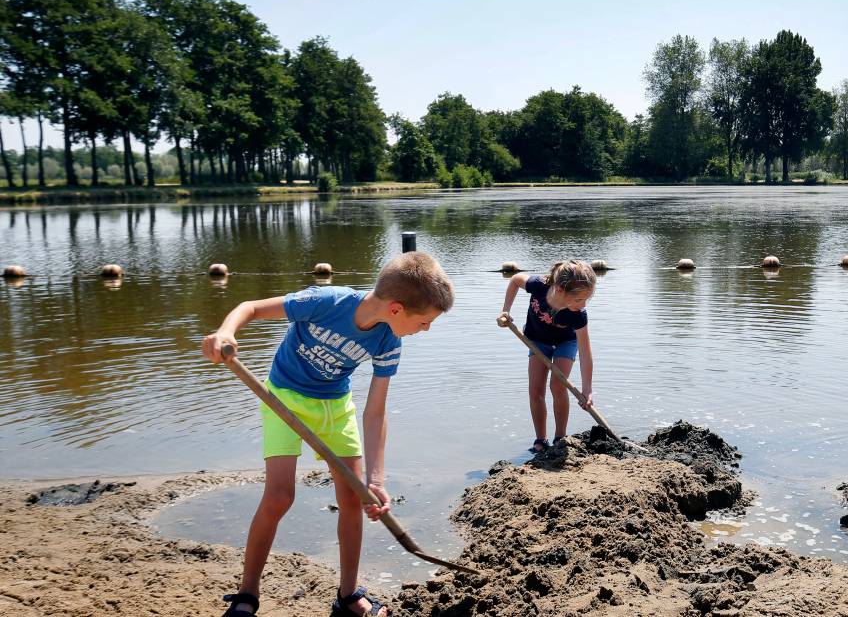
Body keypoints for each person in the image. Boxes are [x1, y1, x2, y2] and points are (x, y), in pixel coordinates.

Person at [202, 252, 454, 617]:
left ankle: (349, 595)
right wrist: (226, 331)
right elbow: (250, 307)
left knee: (354, 499)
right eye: (425, 321)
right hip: (283, 398)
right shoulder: (325, 302)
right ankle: (247, 595)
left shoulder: (388, 342)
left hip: (334, 406)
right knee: (278, 497)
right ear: (397, 309)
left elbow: (375, 411)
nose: (426, 330)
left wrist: (376, 479)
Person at [496, 260, 596, 453]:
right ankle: (541, 440)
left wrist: (587, 389)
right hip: (537, 340)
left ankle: (560, 438)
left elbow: (585, 351)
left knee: (558, 386)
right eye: (578, 300)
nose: (583, 305)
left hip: (566, 342)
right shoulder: (539, 285)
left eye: (586, 299)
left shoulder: (578, 315)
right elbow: (516, 280)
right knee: (535, 390)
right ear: (559, 290)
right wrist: (505, 310)